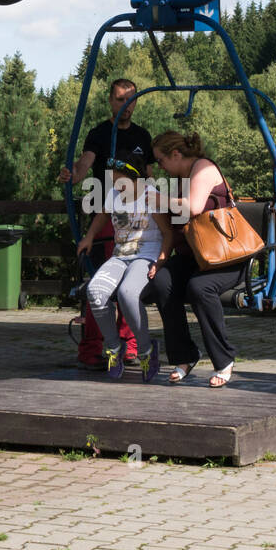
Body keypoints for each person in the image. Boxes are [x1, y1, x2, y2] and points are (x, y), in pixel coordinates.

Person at [59, 79, 153, 368]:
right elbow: (84, 166)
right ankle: (91, 351)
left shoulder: (142, 135)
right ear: (110, 101)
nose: (125, 105)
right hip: (107, 216)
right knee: (101, 283)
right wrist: (71, 175)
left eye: (130, 99)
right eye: (119, 99)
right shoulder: (99, 134)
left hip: (136, 217)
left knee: (131, 283)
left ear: (136, 101)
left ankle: (130, 347)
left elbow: (149, 175)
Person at [147, 131, 244, 388]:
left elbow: (193, 207)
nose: (160, 167)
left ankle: (224, 359)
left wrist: (159, 198)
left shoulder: (203, 169)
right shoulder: (180, 177)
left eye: (161, 160)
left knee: (200, 287)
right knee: (162, 282)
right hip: (198, 256)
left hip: (226, 257)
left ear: (176, 154)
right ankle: (184, 355)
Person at [77, 151, 172, 381]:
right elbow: (102, 215)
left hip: (146, 255)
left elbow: (168, 233)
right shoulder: (113, 194)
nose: (117, 187)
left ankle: (146, 349)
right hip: (120, 256)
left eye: (121, 182)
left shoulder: (151, 196)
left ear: (137, 180)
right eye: (114, 181)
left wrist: (161, 259)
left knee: (127, 293)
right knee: (95, 291)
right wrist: (89, 236)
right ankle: (113, 348)